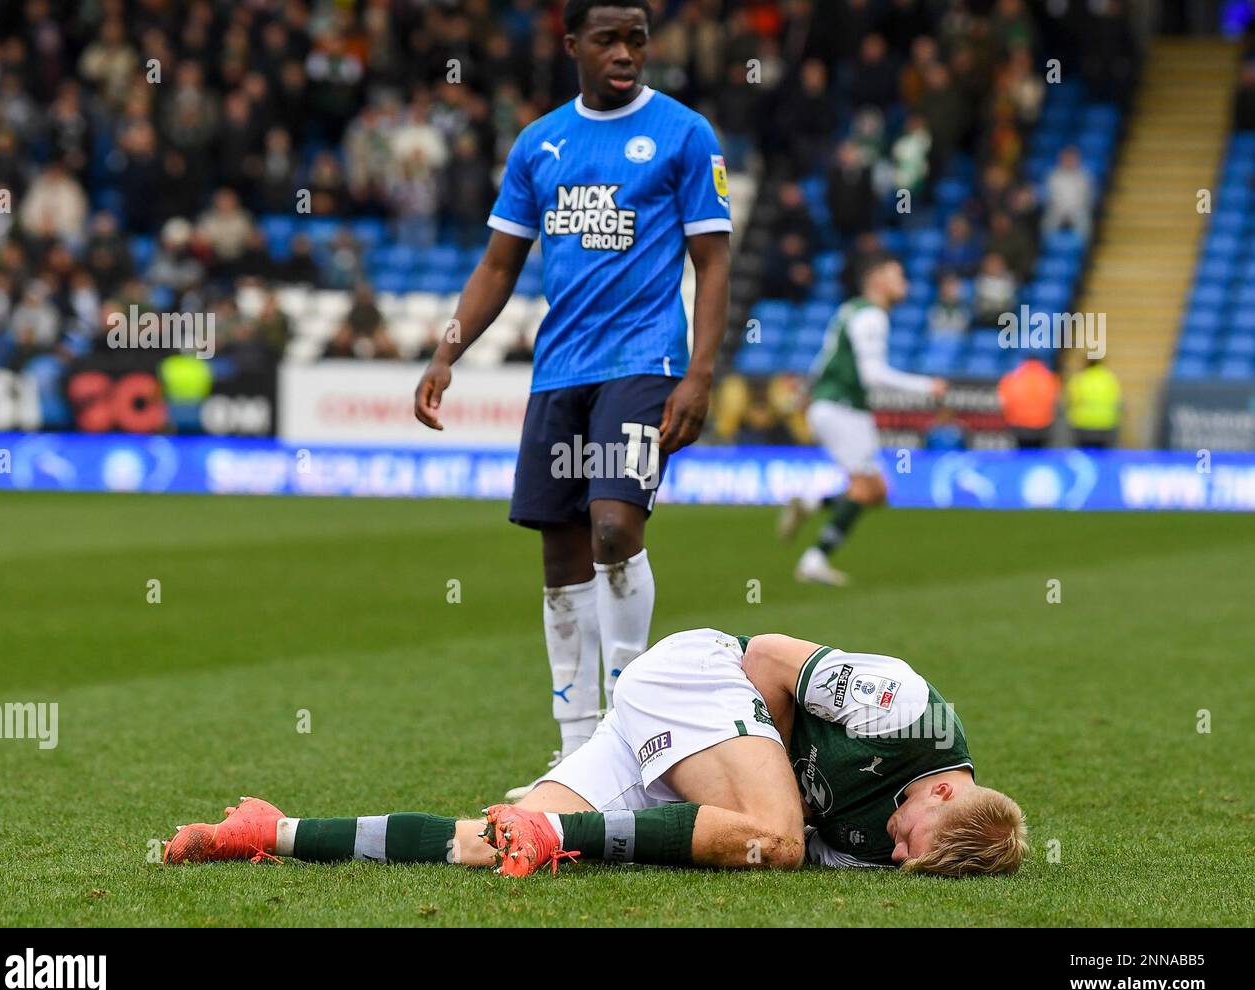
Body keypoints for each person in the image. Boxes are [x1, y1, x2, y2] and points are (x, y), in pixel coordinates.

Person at [412, 0, 731, 796]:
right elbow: (497, 266)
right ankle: (575, 748)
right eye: (608, 40)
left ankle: (632, 739)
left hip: (644, 361)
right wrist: (448, 349)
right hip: (560, 369)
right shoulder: (539, 142)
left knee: (615, 528)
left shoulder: (687, 134)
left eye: (637, 39)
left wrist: (698, 374)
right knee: (560, 558)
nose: (625, 52)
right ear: (573, 46)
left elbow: (714, 262)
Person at [162, 629, 1027, 877]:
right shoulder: (901, 708)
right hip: (703, 681)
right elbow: (767, 654)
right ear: (944, 791)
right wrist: (753, 752)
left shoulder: (927, 851)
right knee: (780, 835)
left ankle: (266, 832)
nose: (892, 848)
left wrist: (730, 778)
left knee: (488, 840)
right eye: (909, 835)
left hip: (692, 754)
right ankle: (574, 837)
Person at [779, 251, 948, 585]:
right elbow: (873, 375)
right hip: (842, 408)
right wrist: (927, 386)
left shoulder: (850, 310)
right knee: (863, 487)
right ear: (877, 279)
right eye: (898, 275)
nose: (905, 284)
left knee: (878, 490)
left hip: (839, 407)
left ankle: (811, 504)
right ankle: (813, 561)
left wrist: (806, 393)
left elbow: (825, 356)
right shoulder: (871, 317)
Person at [997, 355, 1061, 449]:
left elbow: (1004, 402)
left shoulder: (1011, 378)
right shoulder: (1051, 378)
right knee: (1039, 454)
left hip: (1018, 425)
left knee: (1022, 454)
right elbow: (1055, 401)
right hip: (1043, 425)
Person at [1065, 358, 1121, 448]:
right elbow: (1117, 401)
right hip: (1106, 424)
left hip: (1082, 425)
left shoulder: (1079, 379)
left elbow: (1070, 400)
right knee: (1103, 456)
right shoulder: (1109, 379)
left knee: (1083, 455)